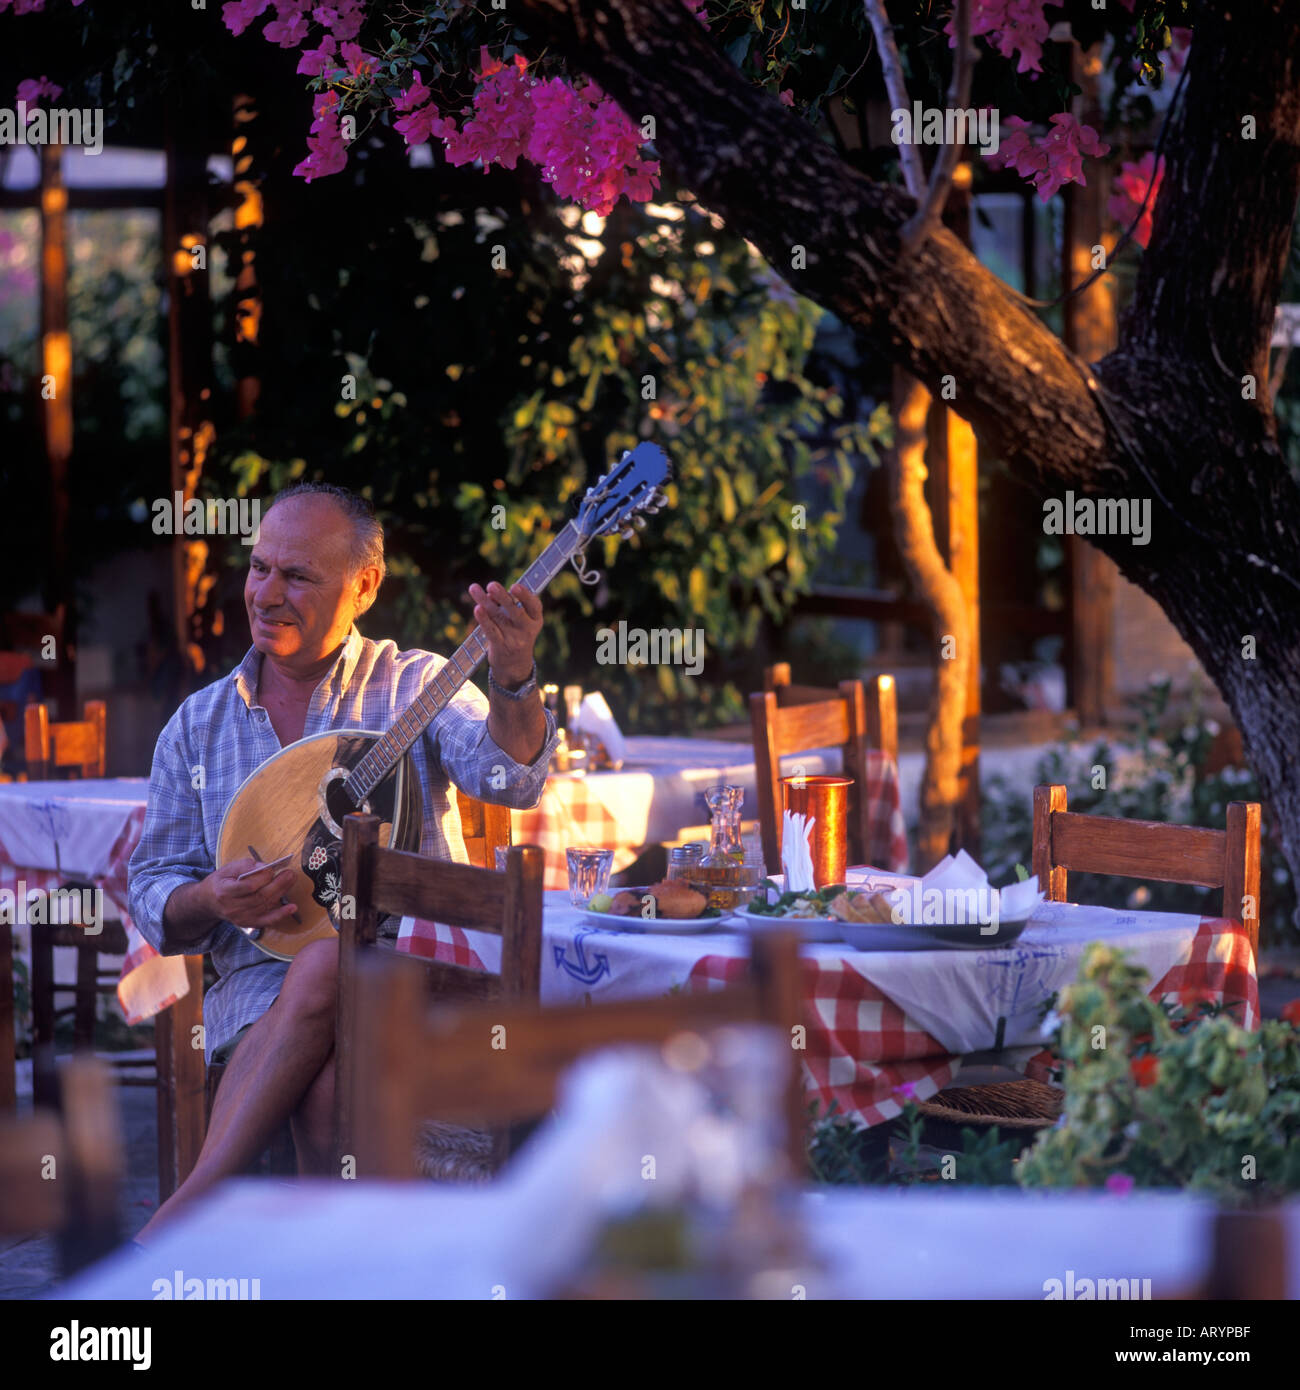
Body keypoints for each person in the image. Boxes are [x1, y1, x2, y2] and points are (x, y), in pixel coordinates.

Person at [127, 484, 555, 1238]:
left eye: (298, 576)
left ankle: (194, 1209)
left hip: (418, 971)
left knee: (330, 965)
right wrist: (212, 899)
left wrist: (513, 677)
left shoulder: (415, 684)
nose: (266, 593)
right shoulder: (197, 725)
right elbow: (154, 890)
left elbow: (510, 779)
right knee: (324, 1075)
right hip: (258, 989)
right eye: (260, 568)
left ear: (365, 587)